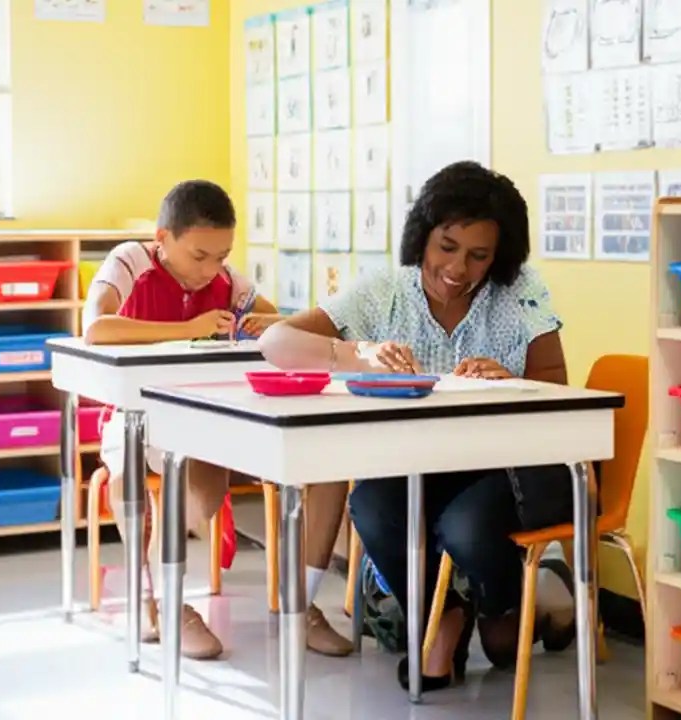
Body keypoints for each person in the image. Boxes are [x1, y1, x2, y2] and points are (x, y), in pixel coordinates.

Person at [257, 161, 579, 691]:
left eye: (480, 255)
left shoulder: (519, 291)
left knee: (467, 534)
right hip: (421, 466)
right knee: (372, 506)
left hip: (509, 467)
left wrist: (512, 379)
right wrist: (354, 352)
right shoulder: (386, 290)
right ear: (422, 236)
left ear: (499, 257)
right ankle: (445, 617)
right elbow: (276, 344)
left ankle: (514, 611)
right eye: (446, 247)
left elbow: (558, 388)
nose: (458, 267)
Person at [82, 180, 355, 660]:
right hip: (130, 413)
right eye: (199, 256)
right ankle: (158, 599)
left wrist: (267, 326)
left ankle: (298, 606)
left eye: (221, 256)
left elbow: (279, 323)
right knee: (129, 476)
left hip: (205, 417)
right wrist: (188, 329)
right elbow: (96, 328)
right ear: (162, 240)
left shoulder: (227, 279)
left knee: (210, 478)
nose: (210, 270)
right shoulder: (130, 260)